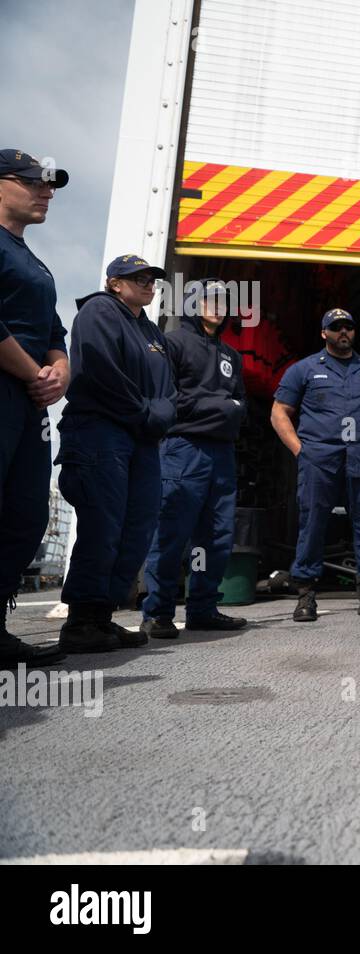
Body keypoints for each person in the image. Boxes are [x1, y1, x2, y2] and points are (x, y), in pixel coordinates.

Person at [57, 255, 176, 653]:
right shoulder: (98, 311)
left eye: (150, 279)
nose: (147, 284)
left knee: (136, 527)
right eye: (136, 278)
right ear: (114, 283)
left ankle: (102, 616)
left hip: (141, 440)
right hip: (101, 432)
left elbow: (169, 391)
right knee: (103, 526)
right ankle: (81, 622)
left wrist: (160, 413)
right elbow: (101, 371)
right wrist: (147, 413)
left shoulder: (150, 331)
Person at [271, 308, 360, 622]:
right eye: (336, 328)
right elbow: (279, 412)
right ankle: (305, 595)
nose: (343, 333)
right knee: (313, 524)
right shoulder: (303, 369)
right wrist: (300, 451)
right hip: (319, 461)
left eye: (348, 327)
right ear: (324, 333)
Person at [140, 277, 248, 639]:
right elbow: (169, 400)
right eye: (208, 299)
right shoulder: (173, 343)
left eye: (222, 300)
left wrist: (216, 409)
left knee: (215, 536)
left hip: (222, 455)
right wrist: (220, 407)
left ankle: (202, 608)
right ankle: (158, 612)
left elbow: (241, 406)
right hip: (183, 450)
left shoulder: (232, 355)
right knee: (171, 532)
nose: (217, 306)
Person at [0, 148, 70, 667]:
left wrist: (60, 371)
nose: (45, 192)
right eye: (33, 183)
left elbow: (53, 332)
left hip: (29, 400)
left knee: (25, 514)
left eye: (48, 185)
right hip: (9, 387)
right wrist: (35, 374)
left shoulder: (38, 265)